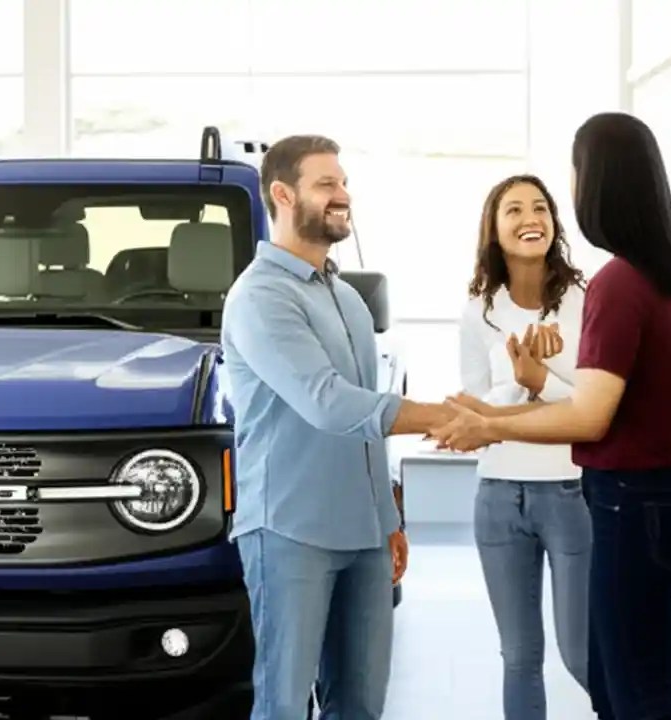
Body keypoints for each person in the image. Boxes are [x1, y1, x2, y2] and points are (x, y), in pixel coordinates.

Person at [431, 112, 671, 720]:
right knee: (633, 680)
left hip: (626, 500)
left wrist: (496, 422)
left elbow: (590, 416)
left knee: (624, 685)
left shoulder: (614, 285)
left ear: (598, 185)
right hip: (667, 495)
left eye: (574, 176)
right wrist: (498, 406)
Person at [221, 134, 456, 720]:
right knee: (282, 705)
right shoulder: (259, 297)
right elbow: (328, 404)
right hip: (289, 533)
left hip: (365, 536)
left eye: (344, 182)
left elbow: (367, 416)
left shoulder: (348, 300)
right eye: (327, 184)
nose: (343, 195)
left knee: (360, 707)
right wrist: (445, 416)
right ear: (282, 194)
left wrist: (390, 518)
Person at [459, 174, 591, 720]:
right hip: (497, 495)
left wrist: (540, 380)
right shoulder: (479, 308)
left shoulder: (586, 302)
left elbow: (594, 406)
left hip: (571, 492)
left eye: (539, 207)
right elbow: (472, 400)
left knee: (582, 653)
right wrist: (516, 382)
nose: (529, 217)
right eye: (513, 209)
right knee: (519, 657)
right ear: (494, 228)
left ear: (554, 224)